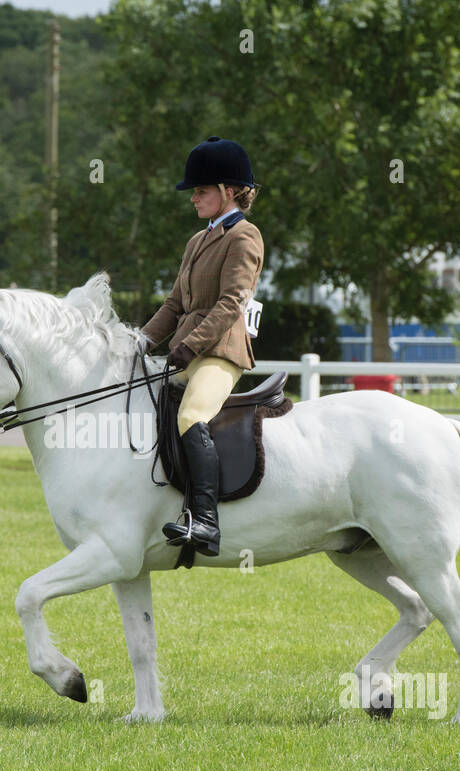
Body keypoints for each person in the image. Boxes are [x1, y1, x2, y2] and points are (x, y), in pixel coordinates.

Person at [140, 135, 263, 557]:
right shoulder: (197, 241)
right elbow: (174, 304)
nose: (194, 198)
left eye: (202, 190)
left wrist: (190, 345)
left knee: (191, 415)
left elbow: (234, 301)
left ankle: (207, 522)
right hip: (187, 349)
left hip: (220, 352)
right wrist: (139, 341)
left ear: (229, 191)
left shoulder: (244, 237)